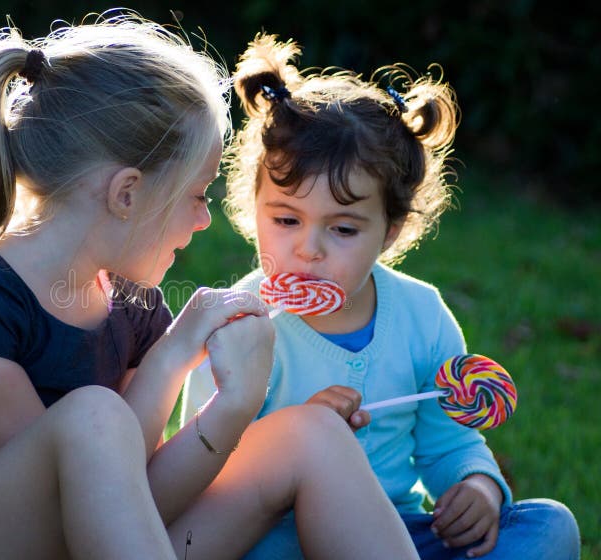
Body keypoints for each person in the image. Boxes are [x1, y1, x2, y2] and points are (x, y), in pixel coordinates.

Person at [0, 14, 421, 560]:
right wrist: (171, 357)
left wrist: (233, 405)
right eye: (197, 195)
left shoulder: (131, 301)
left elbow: (134, 498)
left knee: (311, 435)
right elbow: (60, 517)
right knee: (95, 414)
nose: (204, 220)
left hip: (91, 541)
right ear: (126, 195)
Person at [182, 33, 581, 559]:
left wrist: (476, 486)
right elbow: (201, 470)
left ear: (390, 231)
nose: (308, 249)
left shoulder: (421, 316)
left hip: (398, 532)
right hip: (275, 538)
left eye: (343, 229)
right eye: (285, 220)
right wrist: (301, 435)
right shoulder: (237, 324)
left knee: (550, 527)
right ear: (253, 208)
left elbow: (451, 441)